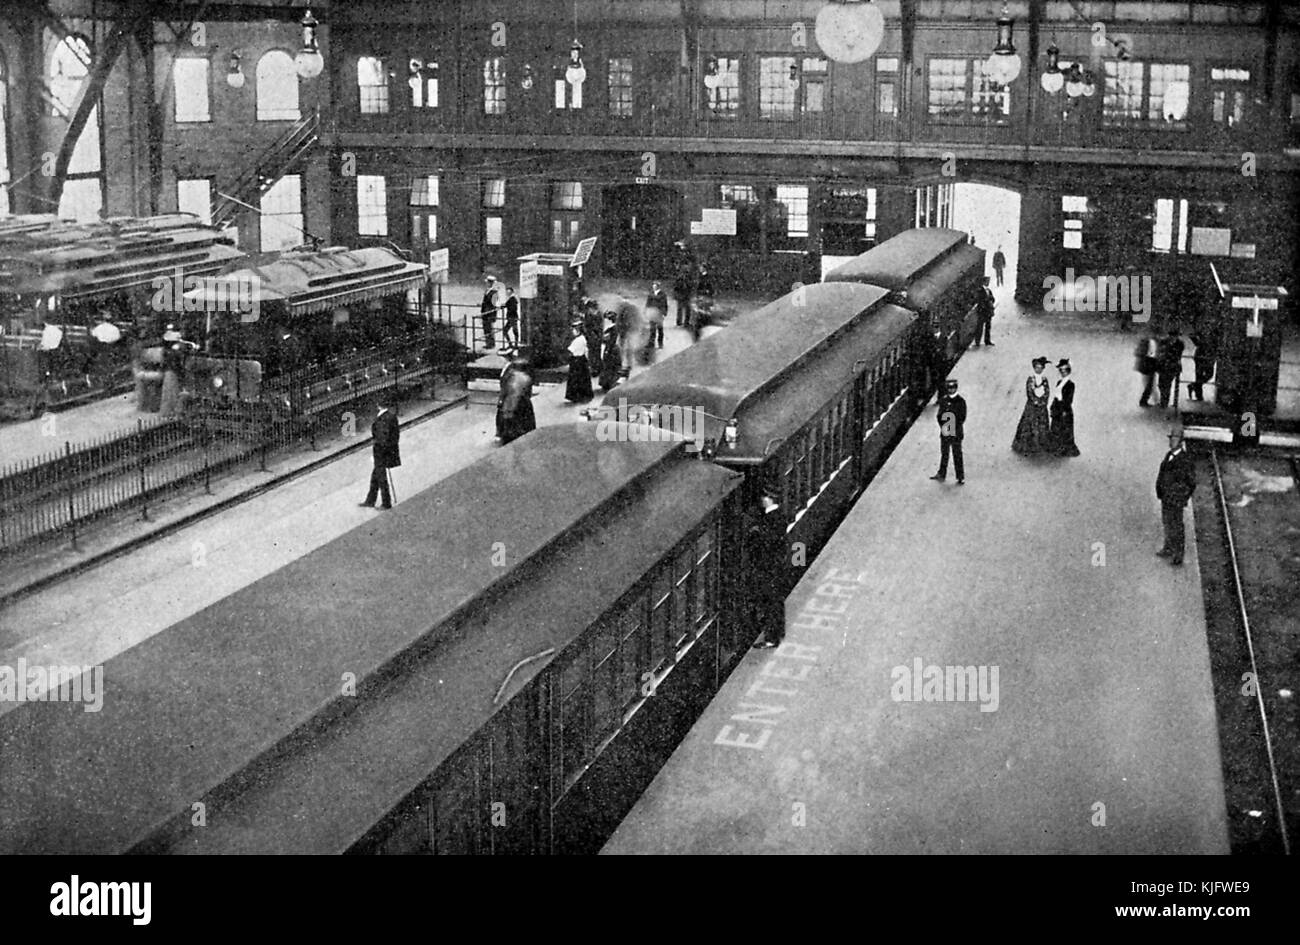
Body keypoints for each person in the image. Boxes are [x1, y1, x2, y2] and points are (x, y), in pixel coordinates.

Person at [748, 494, 788, 649]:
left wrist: (756, 533)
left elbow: (768, 542)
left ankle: (772, 638)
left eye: (765, 497)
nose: (762, 499)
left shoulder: (772, 518)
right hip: (776, 567)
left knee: (770, 602)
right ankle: (779, 632)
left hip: (769, 569)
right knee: (776, 601)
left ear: (770, 499)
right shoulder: (778, 515)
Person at [1155, 426, 1196, 566]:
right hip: (1166, 497)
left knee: (1177, 526)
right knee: (1167, 523)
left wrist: (1181, 498)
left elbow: (1191, 483)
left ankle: (1178, 555)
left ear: (1181, 441)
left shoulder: (1185, 460)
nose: (1171, 441)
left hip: (1175, 500)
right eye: (1171, 438)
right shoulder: (1169, 455)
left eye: (1174, 439)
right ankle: (1168, 547)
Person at [360, 398, 401, 510]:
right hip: (389, 451)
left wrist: (377, 454)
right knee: (375, 477)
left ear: (378, 406)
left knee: (381, 478)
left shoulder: (382, 419)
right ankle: (370, 500)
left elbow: (382, 439)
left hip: (381, 453)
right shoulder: (392, 417)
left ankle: (386, 502)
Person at [1011, 356, 1052, 455]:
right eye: (1037, 368)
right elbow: (1029, 392)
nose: (1039, 370)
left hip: (1042, 406)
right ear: (1034, 368)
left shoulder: (1044, 379)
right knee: (1030, 424)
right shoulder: (1031, 379)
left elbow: (1047, 391)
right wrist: (1035, 401)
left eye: (1041, 368)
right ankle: (1030, 445)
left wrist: (1043, 401)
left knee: (1042, 424)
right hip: (1032, 406)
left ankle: (1042, 444)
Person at [930, 378, 967, 484]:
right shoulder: (944, 400)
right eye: (949, 388)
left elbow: (962, 417)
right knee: (944, 453)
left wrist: (952, 426)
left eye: (953, 388)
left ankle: (960, 476)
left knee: (957, 454)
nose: (951, 390)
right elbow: (939, 415)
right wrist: (943, 426)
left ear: (956, 388)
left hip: (955, 432)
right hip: (946, 431)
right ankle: (942, 473)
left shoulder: (961, 401)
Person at [496, 357, 536, 444]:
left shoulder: (508, 375)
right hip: (520, 402)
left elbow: (503, 390)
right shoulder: (526, 378)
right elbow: (528, 394)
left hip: (509, 403)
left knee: (506, 418)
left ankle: (503, 434)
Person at [1049, 359, 1080, 457]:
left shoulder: (1071, 384)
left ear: (1068, 371)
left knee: (1064, 429)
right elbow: (1055, 395)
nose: (1063, 373)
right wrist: (1052, 406)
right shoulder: (1059, 382)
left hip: (1064, 410)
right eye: (1061, 371)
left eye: (1065, 371)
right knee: (1055, 428)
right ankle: (1056, 448)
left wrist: (1064, 410)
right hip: (1057, 407)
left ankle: (1064, 450)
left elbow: (1068, 400)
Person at [564, 320, 593, 403]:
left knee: (576, 379)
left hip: (577, 360)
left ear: (578, 330)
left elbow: (571, 350)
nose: (573, 332)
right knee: (582, 378)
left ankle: (577, 396)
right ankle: (583, 395)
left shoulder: (578, 340)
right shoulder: (582, 338)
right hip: (582, 360)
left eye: (574, 330)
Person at [1155, 327, 1185, 409]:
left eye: (1175, 336)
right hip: (1163, 366)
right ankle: (1164, 401)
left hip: (1172, 367)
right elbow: (1160, 351)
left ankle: (1164, 402)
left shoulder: (1180, 344)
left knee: (1167, 384)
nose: (1173, 337)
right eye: (1172, 336)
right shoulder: (1164, 342)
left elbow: (1177, 355)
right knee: (1161, 385)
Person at [671, 241, 696, 326]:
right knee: (684, 306)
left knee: (682, 306)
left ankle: (682, 321)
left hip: (684, 288)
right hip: (683, 289)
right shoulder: (684, 260)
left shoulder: (683, 260)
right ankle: (684, 322)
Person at [1187, 329, 1216, 402]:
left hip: (1206, 357)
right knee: (1201, 376)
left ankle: (1194, 387)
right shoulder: (1206, 333)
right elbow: (1197, 341)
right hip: (1202, 357)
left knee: (1207, 375)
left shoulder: (1211, 334)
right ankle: (1198, 395)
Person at [598, 312, 622, 391]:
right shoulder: (610, 328)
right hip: (609, 348)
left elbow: (612, 341)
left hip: (611, 349)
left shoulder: (613, 329)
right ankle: (607, 383)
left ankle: (610, 383)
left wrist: (607, 350)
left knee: (610, 366)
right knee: (608, 366)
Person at [1135, 332, 1158, 407]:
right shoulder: (1149, 342)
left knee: (1149, 384)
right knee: (1149, 385)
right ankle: (1146, 401)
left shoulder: (1147, 341)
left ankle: (1153, 400)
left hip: (1148, 365)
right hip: (1148, 365)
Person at [644, 281, 667, 350]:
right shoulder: (651, 294)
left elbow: (664, 305)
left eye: (655, 286)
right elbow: (648, 304)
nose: (653, 287)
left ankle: (660, 343)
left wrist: (664, 313)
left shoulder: (662, 295)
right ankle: (651, 343)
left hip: (659, 313)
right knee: (652, 329)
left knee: (660, 329)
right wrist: (646, 311)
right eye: (653, 285)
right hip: (652, 313)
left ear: (658, 287)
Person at [973, 276, 995, 347]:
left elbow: (993, 299)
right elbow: (979, 300)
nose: (988, 282)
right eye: (987, 281)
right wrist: (986, 301)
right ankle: (977, 341)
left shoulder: (989, 290)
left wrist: (990, 299)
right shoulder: (980, 290)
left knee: (988, 326)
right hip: (982, 311)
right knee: (980, 327)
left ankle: (987, 341)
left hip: (988, 311)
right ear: (984, 281)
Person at [479, 277, 499, 351]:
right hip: (485, 313)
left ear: (490, 283)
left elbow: (493, 304)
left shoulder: (494, 292)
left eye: (488, 282)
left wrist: (488, 312)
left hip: (489, 313)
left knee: (489, 328)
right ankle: (488, 343)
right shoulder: (487, 291)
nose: (486, 284)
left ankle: (491, 344)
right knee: (486, 328)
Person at [501, 286, 520, 351]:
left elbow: (512, 308)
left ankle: (512, 345)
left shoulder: (512, 299)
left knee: (506, 331)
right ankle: (514, 345)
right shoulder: (512, 298)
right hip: (513, 317)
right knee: (513, 331)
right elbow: (507, 305)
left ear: (511, 292)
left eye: (508, 291)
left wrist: (507, 309)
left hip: (512, 317)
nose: (507, 293)